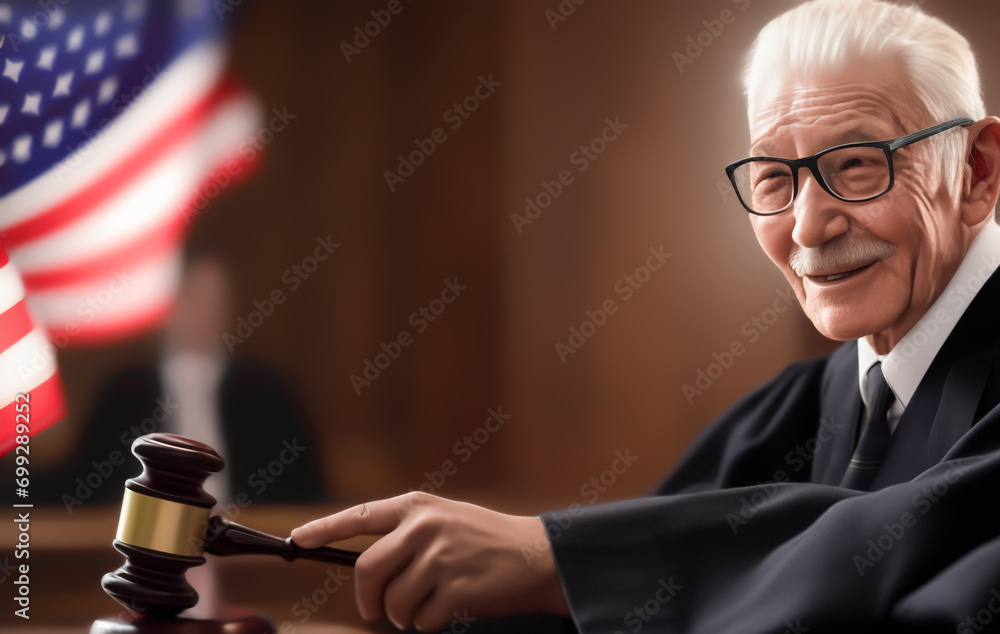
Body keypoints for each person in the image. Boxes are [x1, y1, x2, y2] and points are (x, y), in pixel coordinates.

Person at [290, 1, 1000, 632]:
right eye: (774, 179)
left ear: (976, 172)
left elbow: (921, 555)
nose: (809, 228)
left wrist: (549, 555)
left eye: (855, 165)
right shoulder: (803, 408)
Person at [38, 253, 326, 509]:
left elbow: (306, 493)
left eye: (217, 298)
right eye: (193, 296)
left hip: (246, 550)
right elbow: (82, 489)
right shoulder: (124, 392)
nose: (206, 311)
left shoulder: (269, 393)